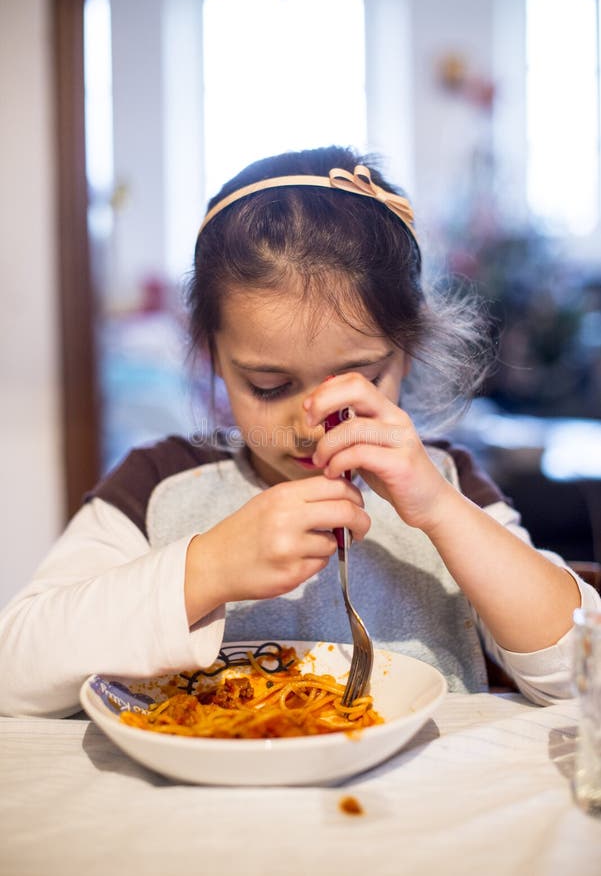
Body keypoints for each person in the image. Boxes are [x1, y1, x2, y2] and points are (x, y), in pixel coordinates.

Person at [1, 145, 598, 717]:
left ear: (406, 352)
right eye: (268, 385)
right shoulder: (155, 485)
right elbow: (15, 670)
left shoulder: (448, 484)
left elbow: (579, 677)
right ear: (213, 355)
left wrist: (442, 512)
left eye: (357, 378)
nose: (311, 426)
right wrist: (205, 568)